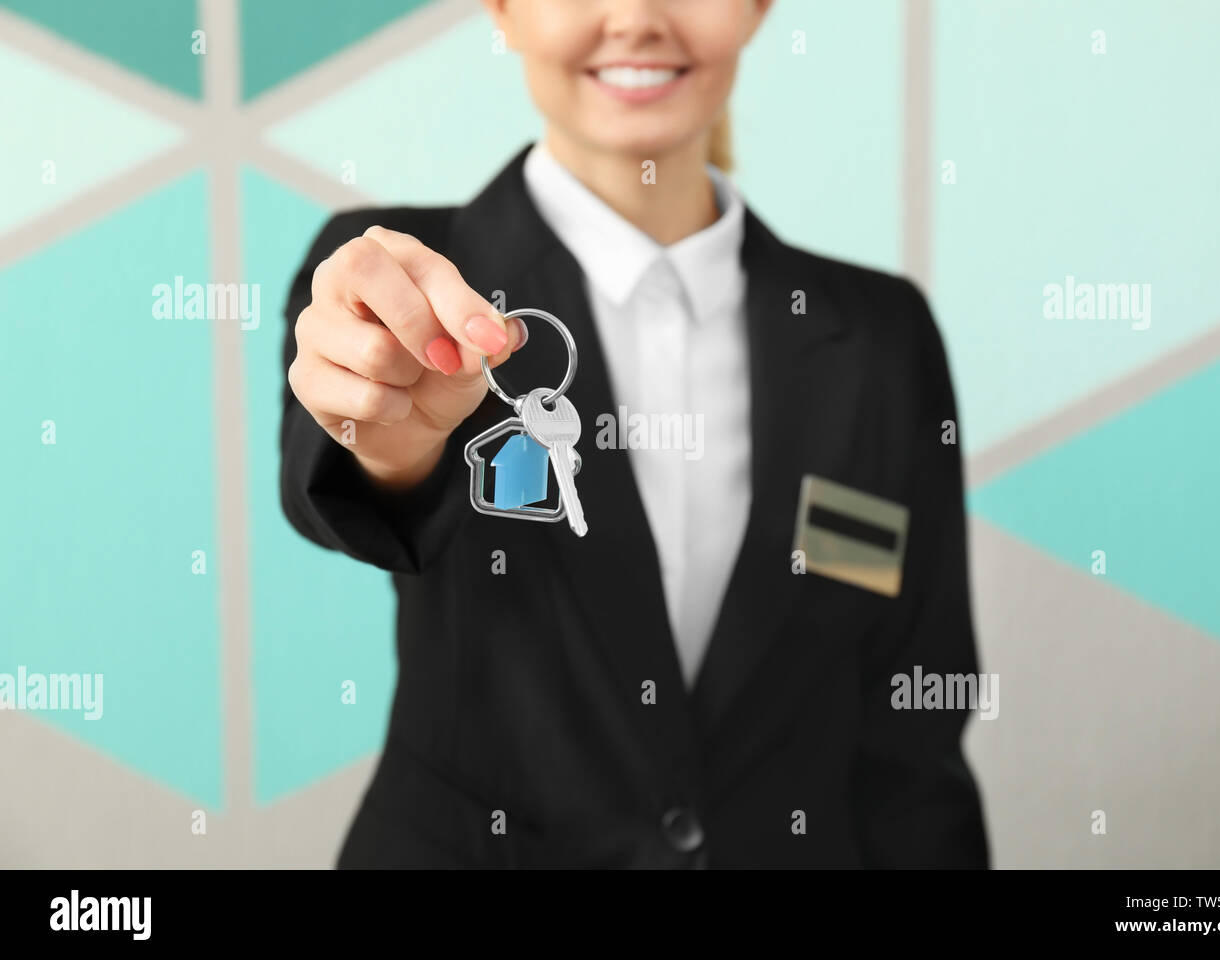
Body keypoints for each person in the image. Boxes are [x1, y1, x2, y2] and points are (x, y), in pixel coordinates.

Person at [280, 0, 988, 868]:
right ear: (503, 10)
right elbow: (359, 473)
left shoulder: (881, 337)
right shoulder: (400, 284)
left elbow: (912, 733)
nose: (636, 17)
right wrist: (392, 436)